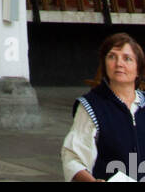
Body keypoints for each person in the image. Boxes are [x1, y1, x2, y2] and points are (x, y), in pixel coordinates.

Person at [62, 33, 145, 182]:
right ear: (105, 65)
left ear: (138, 69)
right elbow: (72, 159)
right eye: (112, 57)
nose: (119, 63)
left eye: (127, 58)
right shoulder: (92, 106)